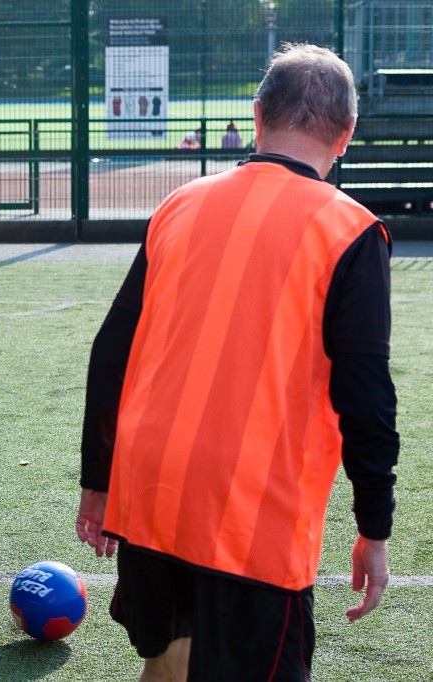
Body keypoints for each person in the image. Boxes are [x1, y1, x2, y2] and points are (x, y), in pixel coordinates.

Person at [75, 43, 398, 681]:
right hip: (251, 511)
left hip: (153, 487)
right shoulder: (352, 231)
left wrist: (99, 481)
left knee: (170, 663)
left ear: (257, 116)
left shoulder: (181, 203)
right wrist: (375, 526)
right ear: (346, 134)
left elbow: (111, 350)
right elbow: (366, 397)